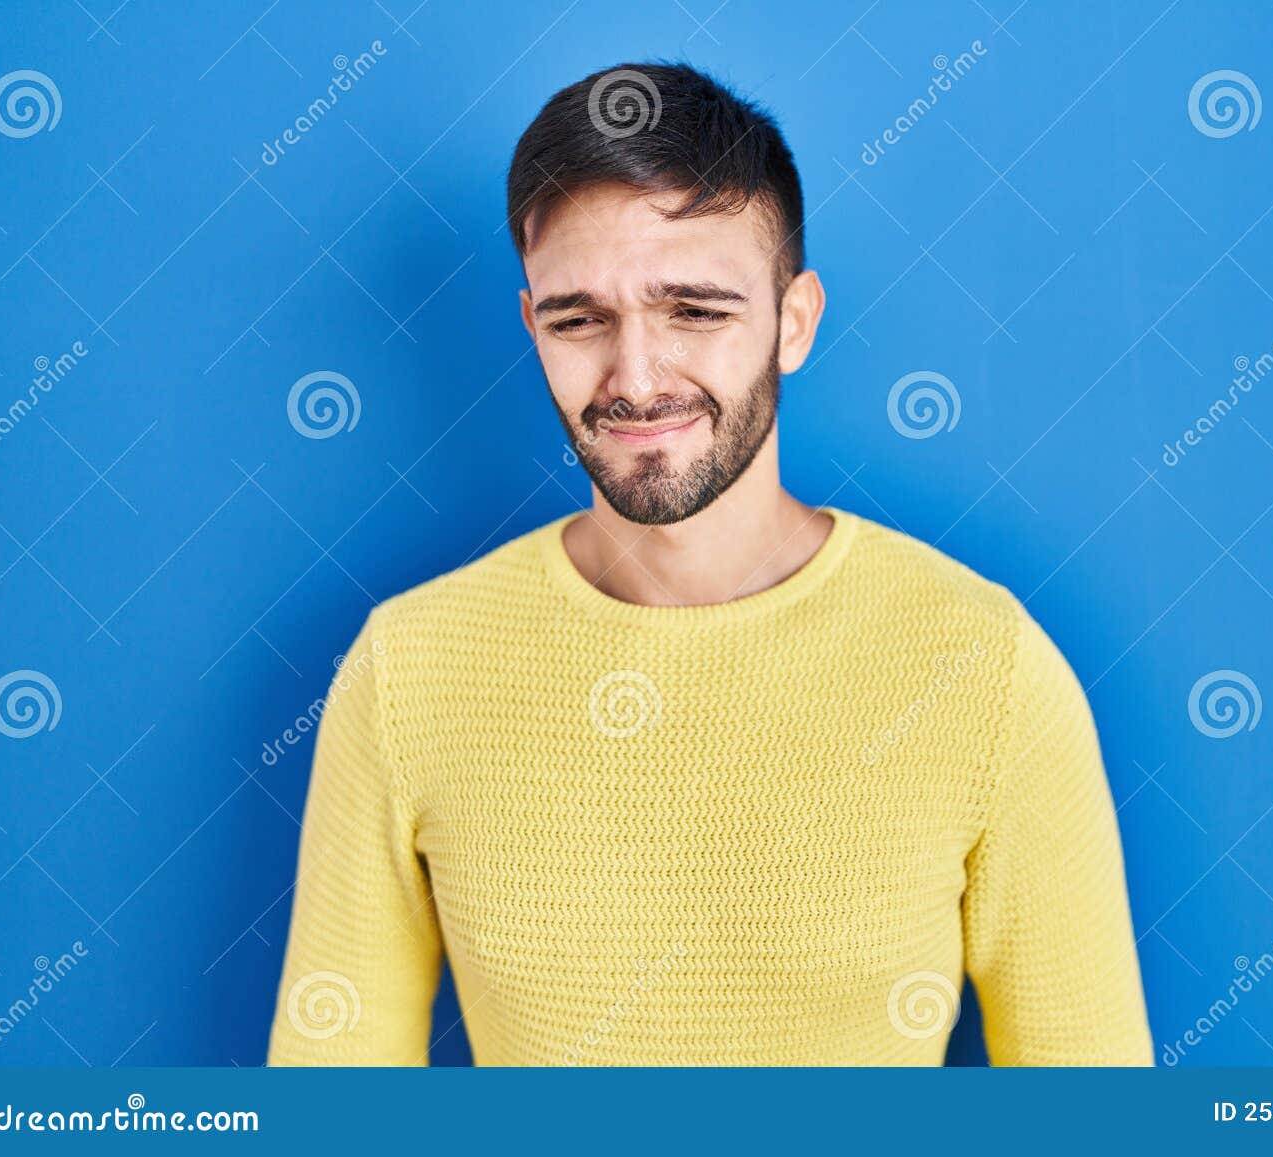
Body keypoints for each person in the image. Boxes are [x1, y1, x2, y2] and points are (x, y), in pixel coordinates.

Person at [266, 60, 1153, 1066]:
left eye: (695, 309)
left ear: (795, 320)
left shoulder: (984, 666)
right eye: (578, 318)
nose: (636, 379)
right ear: (532, 327)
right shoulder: (407, 668)